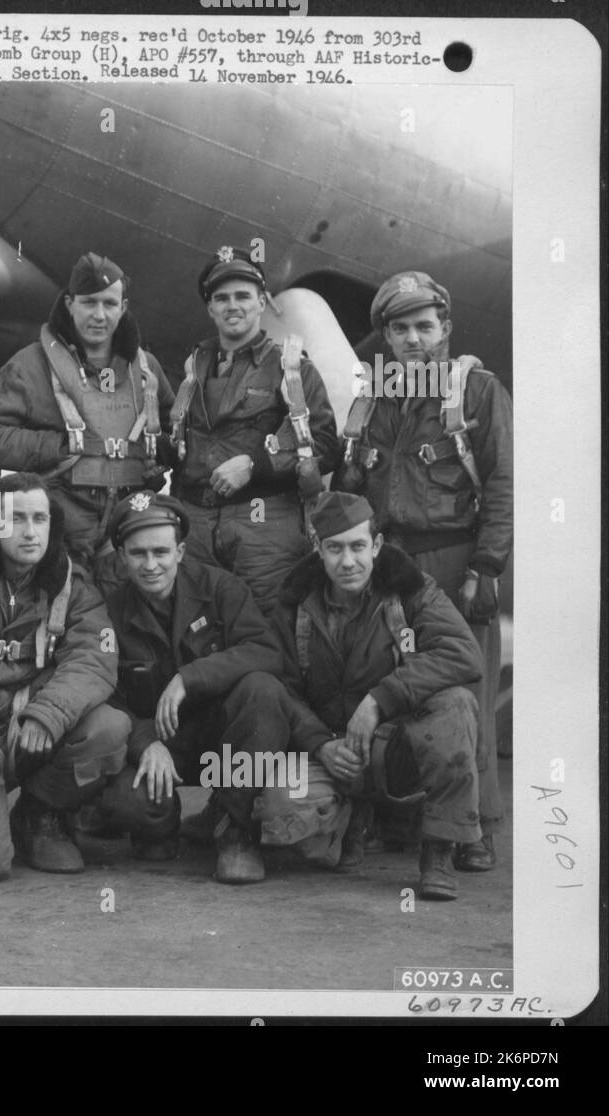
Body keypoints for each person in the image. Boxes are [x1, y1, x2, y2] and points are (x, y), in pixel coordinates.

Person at [0, 473, 176, 884]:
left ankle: (39, 814)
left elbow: (94, 657)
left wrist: (48, 713)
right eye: (15, 519)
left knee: (109, 728)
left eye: (40, 519)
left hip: (28, 725)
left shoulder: (71, 585)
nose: (30, 532)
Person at [332, 271, 512, 872]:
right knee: (397, 680)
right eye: (400, 328)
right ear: (385, 335)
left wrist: (486, 568)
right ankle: (404, 817)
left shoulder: (478, 391)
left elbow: (504, 483)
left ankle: (475, 828)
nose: (413, 339)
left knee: (467, 692)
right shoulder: (372, 397)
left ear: (446, 330)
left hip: (453, 557)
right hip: (389, 563)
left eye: (424, 327)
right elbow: (352, 485)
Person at [104, 492, 333, 883]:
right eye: (138, 554)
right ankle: (162, 827)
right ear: (122, 556)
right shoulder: (109, 610)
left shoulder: (221, 588)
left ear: (180, 551)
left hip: (224, 747)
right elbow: (106, 693)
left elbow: (266, 652)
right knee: (138, 805)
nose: (151, 565)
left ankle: (236, 831)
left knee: (262, 690)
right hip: (163, 747)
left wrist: (190, 677)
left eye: (161, 552)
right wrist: (145, 743)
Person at [267, 491, 485, 901]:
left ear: (377, 545)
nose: (347, 562)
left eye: (357, 547)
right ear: (317, 548)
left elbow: (463, 654)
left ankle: (438, 848)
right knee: (278, 806)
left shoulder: (413, 591)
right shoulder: (295, 604)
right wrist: (321, 744)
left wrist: (379, 700)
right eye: (334, 548)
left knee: (454, 704)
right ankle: (354, 821)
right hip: (334, 755)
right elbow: (283, 687)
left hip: (397, 751)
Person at [0, 253, 174, 595]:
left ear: (123, 307)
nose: (99, 315)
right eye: (88, 303)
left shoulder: (146, 369)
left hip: (125, 531)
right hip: (60, 528)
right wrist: (58, 447)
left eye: (109, 304)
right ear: (69, 304)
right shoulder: (31, 365)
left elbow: (168, 428)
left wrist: (159, 454)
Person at [168, 246, 338, 615]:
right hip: (195, 525)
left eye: (244, 296)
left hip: (262, 526)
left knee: (269, 634)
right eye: (222, 298)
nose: (233, 306)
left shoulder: (291, 367)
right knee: (197, 635)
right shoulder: (192, 370)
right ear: (210, 308)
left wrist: (256, 462)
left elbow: (324, 442)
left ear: (262, 303)